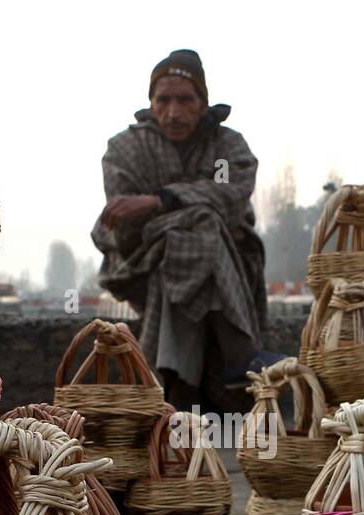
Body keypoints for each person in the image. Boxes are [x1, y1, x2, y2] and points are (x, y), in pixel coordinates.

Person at [91, 49, 267, 412]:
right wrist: (202, 213)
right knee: (203, 225)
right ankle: (242, 354)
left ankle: (171, 390)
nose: (173, 112)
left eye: (185, 100)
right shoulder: (126, 149)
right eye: (163, 100)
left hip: (212, 266)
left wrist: (159, 201)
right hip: (140, 261)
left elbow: (231, 195)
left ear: (202, 103)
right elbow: (126, 223)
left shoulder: (226, 147)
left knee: (192, 239)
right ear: (151, 103)